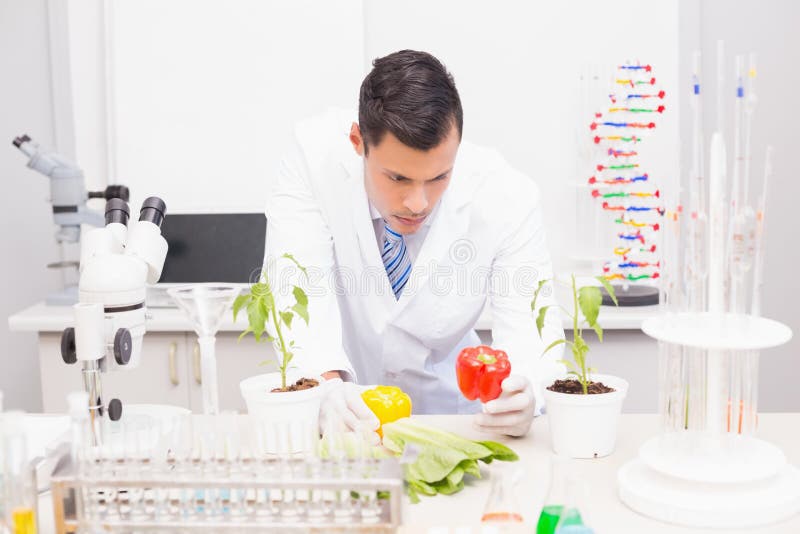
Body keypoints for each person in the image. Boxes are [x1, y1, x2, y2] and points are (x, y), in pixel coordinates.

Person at [264, 50, 563, 440]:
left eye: (439, 177)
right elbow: (295, 291)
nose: (418, 203)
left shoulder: (506, 194)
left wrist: (526, 393)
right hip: (346, 419)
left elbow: (533, 331)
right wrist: (327, 387)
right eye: (398, 178)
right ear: (358, 142)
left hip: (458, 425)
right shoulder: (313, 159)